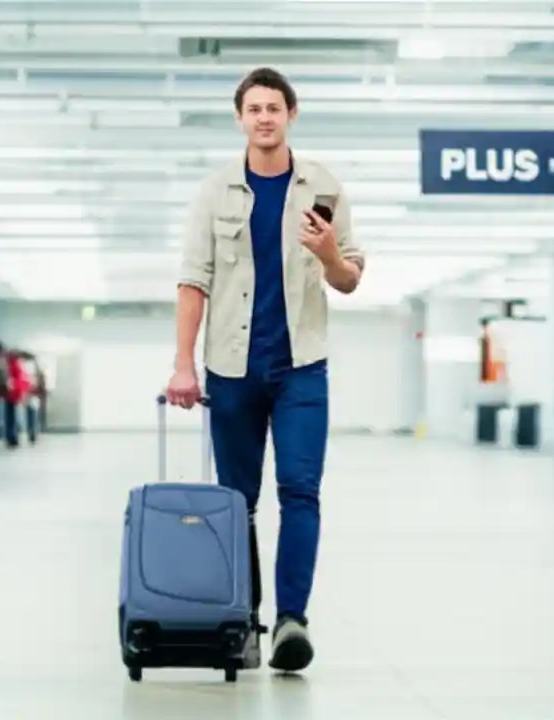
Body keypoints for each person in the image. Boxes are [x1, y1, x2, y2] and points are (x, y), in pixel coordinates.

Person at [163, 66, 365, 673]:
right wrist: (182, 364)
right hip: (230, 367)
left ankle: (290, 622)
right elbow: (193, 280)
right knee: (236, 501)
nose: (265, 118)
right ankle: (240, 621)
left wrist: (329, 253)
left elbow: (349, 278)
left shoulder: (323, 186)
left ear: (292, 114)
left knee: (301, 491)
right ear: (241, 118)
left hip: (302, 366)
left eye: (275, 107)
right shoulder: (215, 191)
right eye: (254, 109)